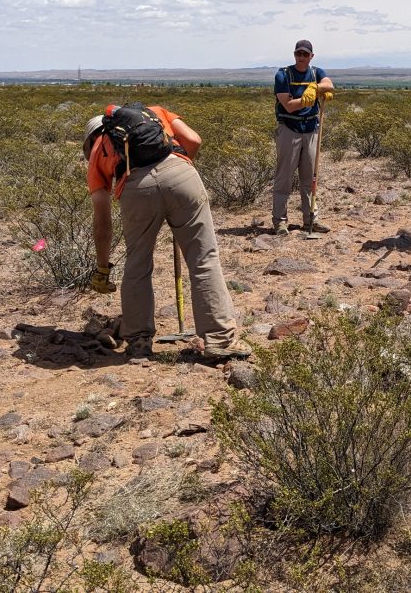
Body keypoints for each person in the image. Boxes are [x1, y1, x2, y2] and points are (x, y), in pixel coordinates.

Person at [84, 105, 245, 361]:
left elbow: (102, 223)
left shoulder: (98, 149)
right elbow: (193, 140)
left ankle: (138, 342)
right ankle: (219, 340)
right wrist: (178, 172)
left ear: (94, 135)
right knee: (204, 259)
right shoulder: (155, 111)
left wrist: (102, 268)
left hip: (137, 188)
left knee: (137, 263)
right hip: (181, 174)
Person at [272, 40, 334, 235]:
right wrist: (309, 98)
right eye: (298, 53)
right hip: (289, 129)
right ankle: (280, 221)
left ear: (311, 56)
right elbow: (288, 105)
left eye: (305, 54)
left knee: (310, 178)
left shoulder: (316, 73)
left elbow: (329, 84)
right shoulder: (283, 74)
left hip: (311, 129)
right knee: (284, 178)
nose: (301, 57)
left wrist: (316, 88)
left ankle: (311, 219)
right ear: (294, 54)